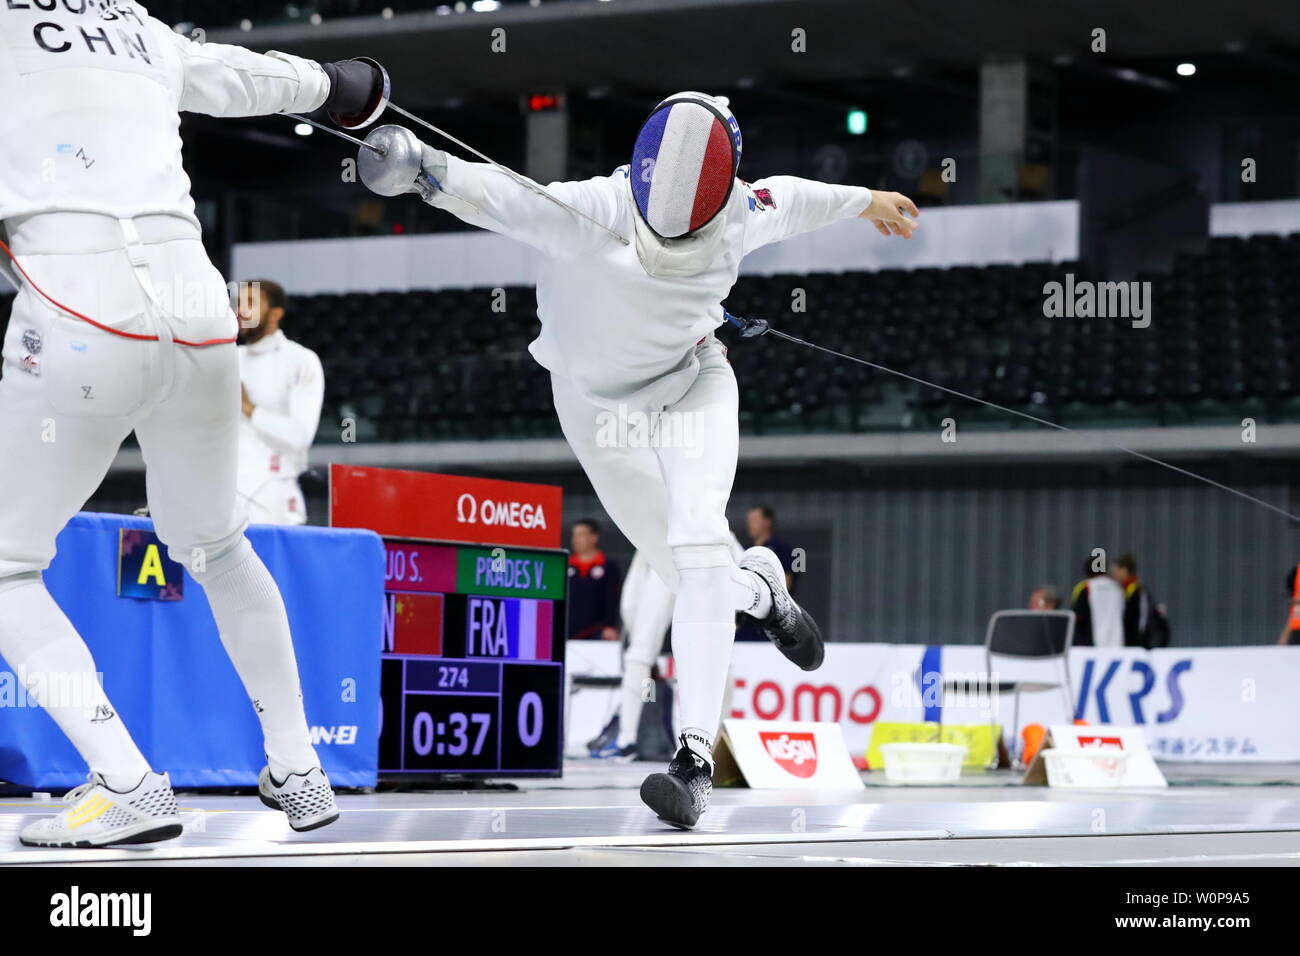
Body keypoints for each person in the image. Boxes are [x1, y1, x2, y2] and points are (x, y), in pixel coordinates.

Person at [362, 91, 918, 827]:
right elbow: (494, 192)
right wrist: (423, 169)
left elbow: (802, 198)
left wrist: (869, 198)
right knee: (682, 565)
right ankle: (765, 593)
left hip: (693, 383)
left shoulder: (744, 211)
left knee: (694, 544)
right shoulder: (587, 210)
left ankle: (692, 760)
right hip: (595, 409)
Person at [0, 2, 388, 847]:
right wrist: (344, 88)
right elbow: (248, 76)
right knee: (215, 545)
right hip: (200, 313)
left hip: (81, 313)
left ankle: (126, 782)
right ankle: (299, 764)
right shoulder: (137, 25)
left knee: (4, 566)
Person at [595, 534, 744, 760]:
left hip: (686, 561)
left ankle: (629, 740)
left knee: (641, 654)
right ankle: (630, 739)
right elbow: (742, 564)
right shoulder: (687, 517)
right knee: (720, 658)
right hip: (690, 563)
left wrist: (632, 620)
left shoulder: (680, 518)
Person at [236, 280, 324, 525]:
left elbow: (300, 435)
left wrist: (250, 410)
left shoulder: (300, 360)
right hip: (223, 500)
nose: (242, 310)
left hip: (273, 502)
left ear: (276, 313)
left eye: (251, 303)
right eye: (240, 303)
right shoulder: (227, 359)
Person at [567, 518, 623, 640]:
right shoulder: (566, 565)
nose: (575, 540)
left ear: (594, 537)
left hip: (597, 633)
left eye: (581, 534)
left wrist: (609, 626)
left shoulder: (608, 566)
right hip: (567, 632)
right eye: (574, 535)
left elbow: (612, 598)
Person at [1110, 552, 1170, 648]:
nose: (1113, 575)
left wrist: (1137, 644)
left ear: (1124, 570)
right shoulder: (1122, 591)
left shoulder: (1137, 591)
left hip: (1138, 646)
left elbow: (1143, 621)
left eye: (1115, 571)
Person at [1070, 556, 1125, 647]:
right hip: (1117, 641)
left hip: (1091, 643)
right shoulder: (1118, 587)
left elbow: (1077, 615)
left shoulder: (1085, 587)